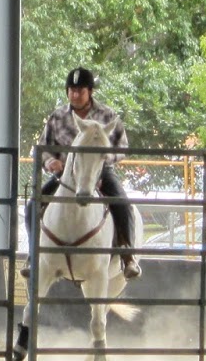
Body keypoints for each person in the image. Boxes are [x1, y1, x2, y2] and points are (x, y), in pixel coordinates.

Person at [29, 66, 140, 279]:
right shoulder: (57, 116)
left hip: (100, 172)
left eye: (80, 90)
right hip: (65, 176)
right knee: (34, 204)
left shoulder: (108, 116)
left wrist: (103, 161)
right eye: (71, 90)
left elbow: (122, 146)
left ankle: (127, 254)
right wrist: (50, 161)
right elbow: (43, 147)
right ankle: (34, 256)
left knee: (122, 203)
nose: (75, 94)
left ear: (90, 92)